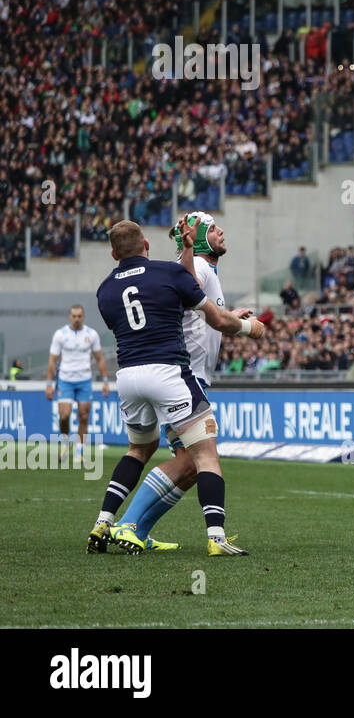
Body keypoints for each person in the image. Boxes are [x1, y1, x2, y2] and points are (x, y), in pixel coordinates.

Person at [90, 220, 265, 557]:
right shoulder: (171, 272)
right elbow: (204, 312)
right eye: (214, 229)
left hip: (128, 376)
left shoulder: (104, 290)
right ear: (147, 245)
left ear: (113, 253)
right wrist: (246, 326)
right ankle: (208, 538)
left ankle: (113, 522)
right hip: (173, 374)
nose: (222, 233)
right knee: (202, 457)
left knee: (147, 453)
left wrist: (186, 253)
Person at [45, 304, 110, 465]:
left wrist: (105, 381)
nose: (76, 319)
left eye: (79, 316)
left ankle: (79, 452)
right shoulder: (60, 335)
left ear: (84, 317)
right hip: (65, 380)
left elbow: (100, 358)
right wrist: (49, 383)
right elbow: (52, 360)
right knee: (64, 415)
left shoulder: (91, 334)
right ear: (69, 317)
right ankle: (65, 444)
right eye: (73, 316)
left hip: (84, 380)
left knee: (84, 415)